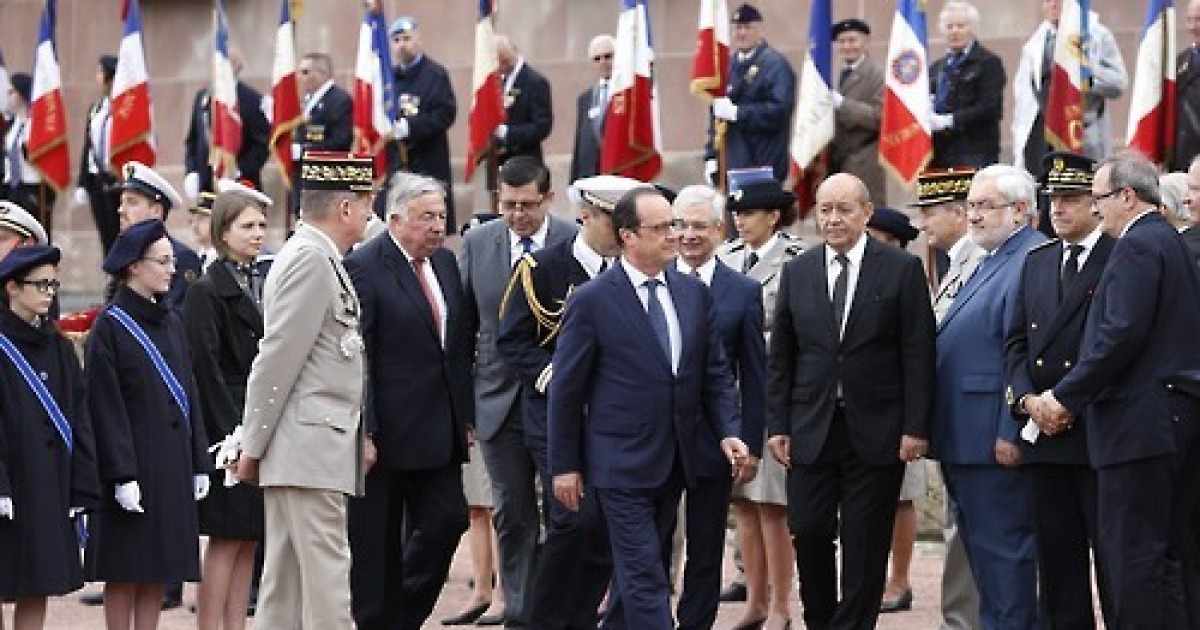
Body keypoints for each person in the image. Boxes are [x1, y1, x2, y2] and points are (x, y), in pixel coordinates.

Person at [549, 186, 750, 628]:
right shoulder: (592, 300)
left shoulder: (692, 293)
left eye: (672, 225)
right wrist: (564, 465)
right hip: (619, 463)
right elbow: (567, 390)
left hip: (676, 458)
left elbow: (713, 373)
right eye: (659, 228)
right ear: (628, 236)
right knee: (645, 576)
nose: (672, 235)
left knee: (643, 568)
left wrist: (728, 431)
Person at [1027, 152, 1200, 629]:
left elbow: (1119, 335)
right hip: (1174, 418)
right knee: (1165, 554)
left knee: (1133, 559)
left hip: (1140, 425)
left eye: (1099, 198)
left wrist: (1063, 396)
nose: (1094, 208)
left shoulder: (1137, 245)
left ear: (1127, 196)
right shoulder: (1169, 241)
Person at [766, 173, 934, 630]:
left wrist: (916, 428)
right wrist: (777, 424)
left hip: (878, 430)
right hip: (811, 427)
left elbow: (918, 353)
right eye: (825, 209)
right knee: (810, 531)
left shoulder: (901, 269)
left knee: (865, 543)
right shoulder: (798, 271)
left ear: (866, 212)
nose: (833, 219)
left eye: (844, 209)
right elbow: (782, 355)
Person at [234, 151, 375, 630]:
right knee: (326, 585)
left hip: (305, 447)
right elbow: (276, 359)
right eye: (366, 202)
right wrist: (253, 444)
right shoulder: (312, 260)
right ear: (344, 208)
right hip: (308, 448)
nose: (371, 213)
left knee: (287, 587)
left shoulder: (314, 256)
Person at [496, 174, 640, 629]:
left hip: (612, 418)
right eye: (614, 223)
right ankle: (545, 618)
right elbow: (513, 340)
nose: (622, 234)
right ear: (587, 216)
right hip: (555, 416)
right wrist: (556, 379)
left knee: (603, 523)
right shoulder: (542, 268)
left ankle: (577, 618)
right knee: (573, 518)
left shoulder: (630, 272)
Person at [344, 172, 473, 630]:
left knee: (448, 520)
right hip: (385, 433)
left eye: (441, 216)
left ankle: (402, 617)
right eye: (426, 218)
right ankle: (375, 620)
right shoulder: (365, 266)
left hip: (439, 427)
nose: (438, 226)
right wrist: (365, 429)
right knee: (376, 543)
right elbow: (359, 355)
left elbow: (456, 346)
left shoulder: (445, 264)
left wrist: (465, 415)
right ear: (395, 219)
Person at [459, 156, 576, 627]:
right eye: (508, 205)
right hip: (496, 400)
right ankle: (519, 613)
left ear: (548, 198)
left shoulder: (572, 239)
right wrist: (463, 406)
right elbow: (463, 327)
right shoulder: (477, 242)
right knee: (512, 512)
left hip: (556, 399)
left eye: (528, 204)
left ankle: (559, 608)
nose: (518, 214)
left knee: (564, 509)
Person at [932, 164, 1045, 629]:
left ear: (1019, 210)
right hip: (965, 435)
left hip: (993, 440)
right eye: (971, 206)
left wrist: (1011, 431)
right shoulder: (994, 257)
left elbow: (1023, 355)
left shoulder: (1029, 259)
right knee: (986, 560)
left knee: (1005, 559)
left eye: (985, 206)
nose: (974, 216)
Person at [1003, 152, 1113, 629]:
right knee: (1058, 566)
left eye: (1071, 198)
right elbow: (1015, 344)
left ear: (1096, 202)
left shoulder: (1118, 256)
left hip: (1095, 429)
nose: (1059, 209)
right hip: (1044, 434)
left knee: (1113, 564)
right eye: (1053, 199)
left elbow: (1113, 345)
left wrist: (1065, 401)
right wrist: (1028, 400)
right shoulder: (1039, 261)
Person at [84, 219, 212, 630]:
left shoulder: (171, 320)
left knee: (158, 566)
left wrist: (198, 461)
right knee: (124, 570)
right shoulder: (110, 326)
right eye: (162, 261)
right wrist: (122, 474)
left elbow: (189, 393)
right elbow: (105, 406)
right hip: (132, 465)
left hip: (170, 462)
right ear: (134, 266)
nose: (172, 269)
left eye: (172, 260)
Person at [671, 185, 766, 630]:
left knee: (706, 546)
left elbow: (754, 374)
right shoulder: (650, 282)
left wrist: (751, 444)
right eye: (680, 225)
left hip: (715, 440)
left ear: (718, 230)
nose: (689, 235)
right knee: (652, 540)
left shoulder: (742, 291)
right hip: (656, 439)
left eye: (698, 226)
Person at [182, 184, 272, 630]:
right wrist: (230, 437)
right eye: (247, 226)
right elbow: (205, 367)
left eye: (261, 225)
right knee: (225, 537)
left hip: (258, 418)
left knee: (250, 536)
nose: (258, 234)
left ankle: (235, 624)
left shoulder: (261, 279)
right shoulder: (207, 290)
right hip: (229, 426)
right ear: (222, 232)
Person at [716, 177, 802, 628]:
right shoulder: (726, 257)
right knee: (744, 504)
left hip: (774, 390)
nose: (741, 221)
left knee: (773, 505)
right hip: (732, 393)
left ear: (773, 216)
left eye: (749, 213)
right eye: (736, 214)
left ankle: (782, 605)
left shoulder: (796, 259)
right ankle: (755, 601)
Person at [0, 245, 98, 630]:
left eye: (53, 285)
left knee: (36, 585)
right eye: (40, 285)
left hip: (47, 481)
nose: (49, 293)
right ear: (12, 288)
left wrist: (80, 486)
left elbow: (78, 415)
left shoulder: (57, 344)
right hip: (10, 480)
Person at [910, 168, 984, 630]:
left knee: (969, 529)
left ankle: (961, 621)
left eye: (930, 213)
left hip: (973, 419)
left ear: (959, 213)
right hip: (954, 419)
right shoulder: (955, 262)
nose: (923, 224)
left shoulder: (977, 261)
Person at [861, 206, 928, 614]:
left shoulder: (908, 275)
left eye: (882, 241)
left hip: (902, 407)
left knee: (903, 497)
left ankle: (899, 580)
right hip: (865, 409)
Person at [1012, 0, 1127, 173]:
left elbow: (1118, 82)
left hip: (1084, 132)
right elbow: (1024, 97)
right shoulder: (1035, 44)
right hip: (1045, 136)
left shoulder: (1097, 35)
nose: (1053, 5)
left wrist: (1085, 75)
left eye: (1058, 0)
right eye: (1047, 1)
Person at [704, 3, 797, 185]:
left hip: (763, 161)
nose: (742, 33)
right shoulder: (728, 66)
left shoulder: (775, 65)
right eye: (737, 28)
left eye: (747, 27)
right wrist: (711, 157)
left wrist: (738, 113)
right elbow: (716, 116)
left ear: (759, 29)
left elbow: (780, 110)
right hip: (732, 162)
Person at [384, 16, 458, 233]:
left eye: (407, 38)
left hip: (427, 159)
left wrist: (411, 128)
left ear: (418, 39)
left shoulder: (435, 74)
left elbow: (445, 114)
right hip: (397, 163)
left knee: (429, 221)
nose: (402, 45)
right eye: (396, 40)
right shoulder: (388, 77)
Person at [114, 162, 202, 313]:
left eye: (132, 203)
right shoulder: (124, 254)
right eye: (121, 202)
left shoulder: (183, 258)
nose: (121, 210)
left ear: (156, 212)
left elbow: (177, 316)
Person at [182, 50, 270, 198]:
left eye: (227, 63)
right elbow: (193, 140)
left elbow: (261, 144)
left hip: (241, 185)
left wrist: (239, 171)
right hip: (207, 184)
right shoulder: (203, 96)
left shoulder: (252, 99)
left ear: (237, 67)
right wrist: (191, 171)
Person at [928, 2, 1005, 169]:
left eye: (960, 26)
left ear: (972, 28)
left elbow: (990, 107)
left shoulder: (988, 63)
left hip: (974, 153)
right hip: (939, 154)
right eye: (949, 26)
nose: (954, 31)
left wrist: (949, 120)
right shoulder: (936, 68)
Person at [830, 19, 886, 204]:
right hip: (838, 158)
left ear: (866, 42)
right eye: (842, 41)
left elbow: (880, 117)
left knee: (869, 211)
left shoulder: (877, 74)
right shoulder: (836, 74)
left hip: (865, 157)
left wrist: (842, 104)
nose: (847, 46)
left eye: (852, 40)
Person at [76, 54, 122, 254]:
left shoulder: (124, 108)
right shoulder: (96, 109)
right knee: (106, 235)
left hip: (117, 178)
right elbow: (88, 146)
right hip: (97, 178)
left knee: (120, 234)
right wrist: (83, 182)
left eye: (100, 72)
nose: (97, 77)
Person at [3, 73, 55, 235]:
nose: (9, 96)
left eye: (12, 92)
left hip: (32, 186)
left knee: (31, 232)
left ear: (21, 94)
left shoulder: (35, 124)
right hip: (12, 187)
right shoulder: (13, 124)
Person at [494, 36, 553, 165]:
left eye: (505, 61)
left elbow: (542, 126)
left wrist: (507, 133)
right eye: (498, 62)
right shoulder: (499, 81)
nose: (501, 66)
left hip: (524, 161)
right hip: (499, 160)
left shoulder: (535, 82)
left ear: (514, 51)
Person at [293, 53, 353, 162]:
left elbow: (340, 142)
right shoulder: (308, 99)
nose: (299, 77)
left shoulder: (339, 100)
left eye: (305, 72)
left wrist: (302, 151)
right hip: (302, 167)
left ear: (322, 73)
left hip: (326, 168)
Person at [570, 34, 614, 183]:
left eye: (608, 56)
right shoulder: (585, 98)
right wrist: (573, 181)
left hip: (618, 174)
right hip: (590, 177)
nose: (603, 62)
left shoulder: (629, 95)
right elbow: (579, 144)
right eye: (597, 58)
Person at [1174, 0, 1200, 172]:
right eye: (1189, 20)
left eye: (1198, 19)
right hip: (1184, 158)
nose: (1192, 27)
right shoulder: (1181, 61)